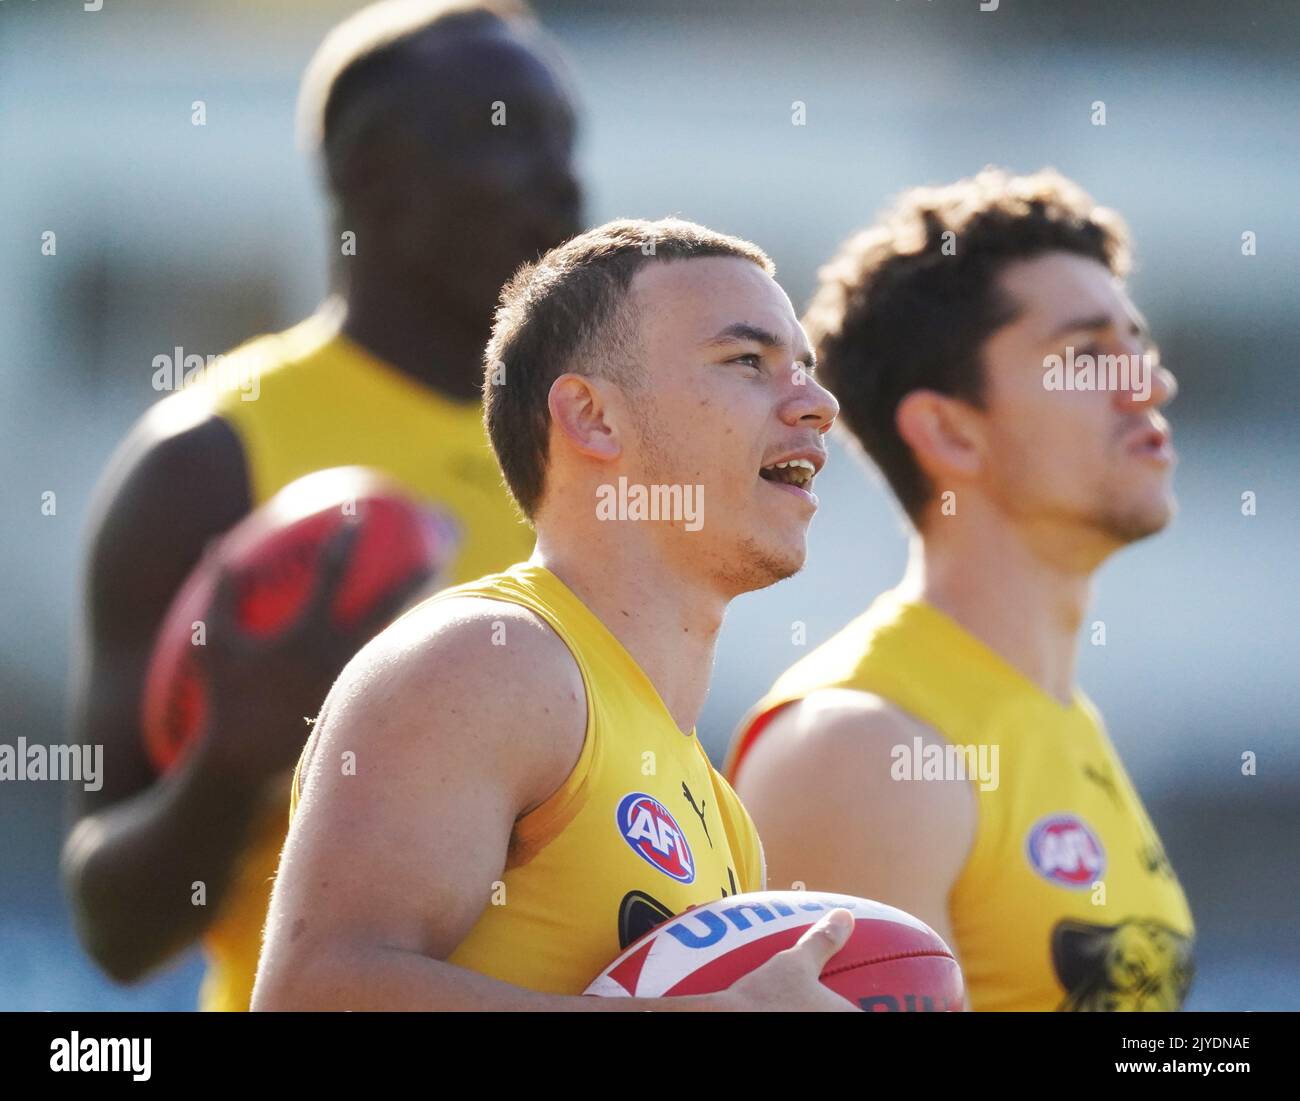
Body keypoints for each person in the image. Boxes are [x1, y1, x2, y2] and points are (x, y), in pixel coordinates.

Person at [62, 0, 580, 1011]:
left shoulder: (598, 442)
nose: (564, 179)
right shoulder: (208, 462)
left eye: (569, 141)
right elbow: (113, 932)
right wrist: (230, 764)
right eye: (509, 138)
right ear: (370, 176)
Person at [253, 217, 855, 1010]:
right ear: (593, 417)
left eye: (807, 370)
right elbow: (314, 996)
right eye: (749, 361)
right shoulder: (489, 659)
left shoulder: (723, 812)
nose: (819, 404)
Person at [725, 168, 1196, 1011]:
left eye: (1141, 344)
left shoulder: (1056, 717)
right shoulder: (863, 748)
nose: (1150, 383)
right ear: (948, 430)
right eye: (1088, 356)